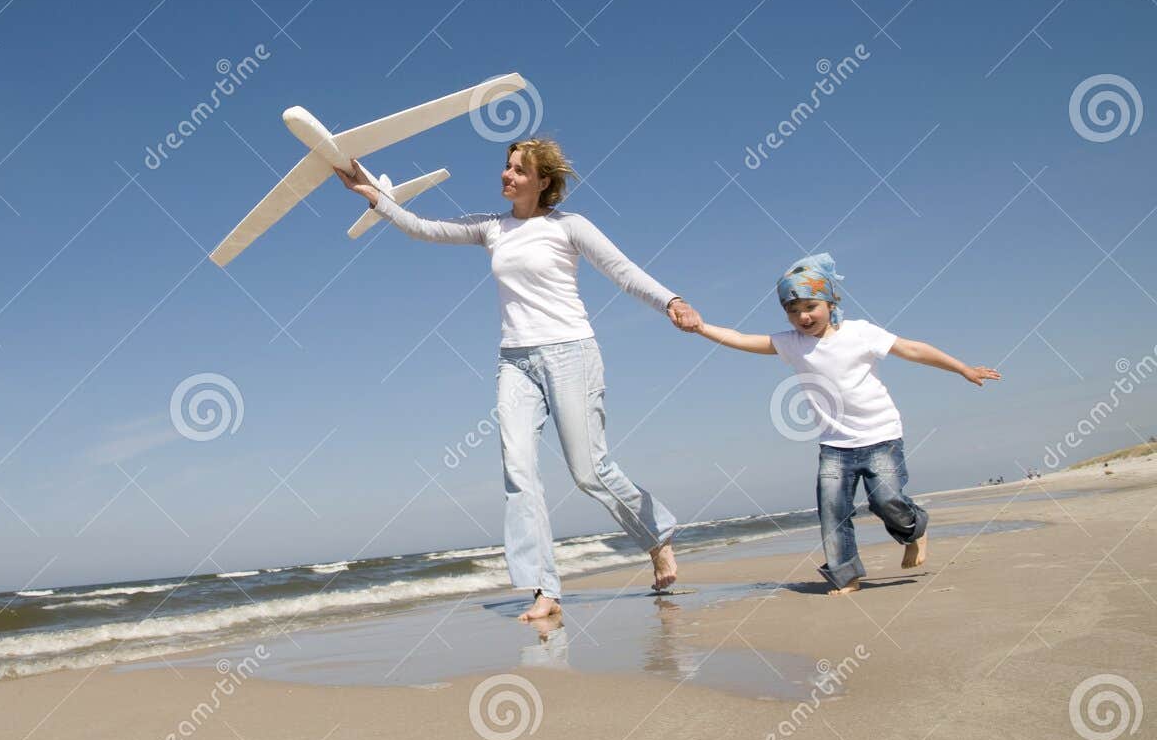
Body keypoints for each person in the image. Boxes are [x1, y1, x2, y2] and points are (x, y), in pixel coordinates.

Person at [335, 138, 701, 621]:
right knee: (519, 472)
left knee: (588, 470)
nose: (506, 175)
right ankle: (542, 590)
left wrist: (671, 301)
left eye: (518, 170)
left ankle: (657, 537)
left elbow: (623, 272)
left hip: (571, 353)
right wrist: (373, 194)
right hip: (515, 361)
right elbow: (424, 228)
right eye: (506, 167)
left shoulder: (570, 227)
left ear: (543, 181)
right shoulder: (492, 228)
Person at [693, 253, 1000, 594]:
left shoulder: (860, 333)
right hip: (835, 445)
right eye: (792, 311)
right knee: (832, 511)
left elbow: (912, 349)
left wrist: (963, 368)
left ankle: (915, 530)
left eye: (810, 307)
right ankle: (846, 576)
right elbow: (741, 339)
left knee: (886, 501)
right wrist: (701, 327)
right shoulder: (791, 344)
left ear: (830, 301)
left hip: (881, 435)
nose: (802, 317)